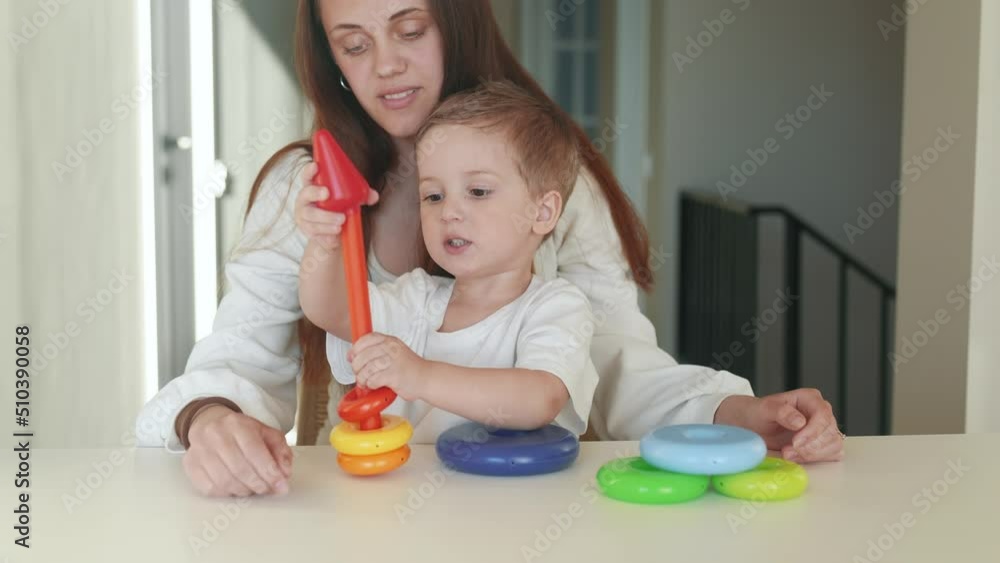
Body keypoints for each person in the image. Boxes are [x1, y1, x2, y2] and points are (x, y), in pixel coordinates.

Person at [136, 0, 843, 498]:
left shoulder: (555, 184)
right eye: (354, 44)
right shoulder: (311, 192)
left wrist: (734, 416)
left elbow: (619, 365)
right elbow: (249, 354)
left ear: (457, 21)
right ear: (332, 60)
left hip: (522, 513)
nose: (385, 66)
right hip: (368, 518)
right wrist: (212, 418)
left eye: (409, 29)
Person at [300, 82, 598, 442]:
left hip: (517, 499)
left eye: (478, 191)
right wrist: (325, 240)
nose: (450, 212)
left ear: (543, 211)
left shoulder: (556, 307)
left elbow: (539, 398)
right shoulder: (416, 299)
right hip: (409, 496)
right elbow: (331, 310)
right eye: (434, 196)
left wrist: (420, 376)